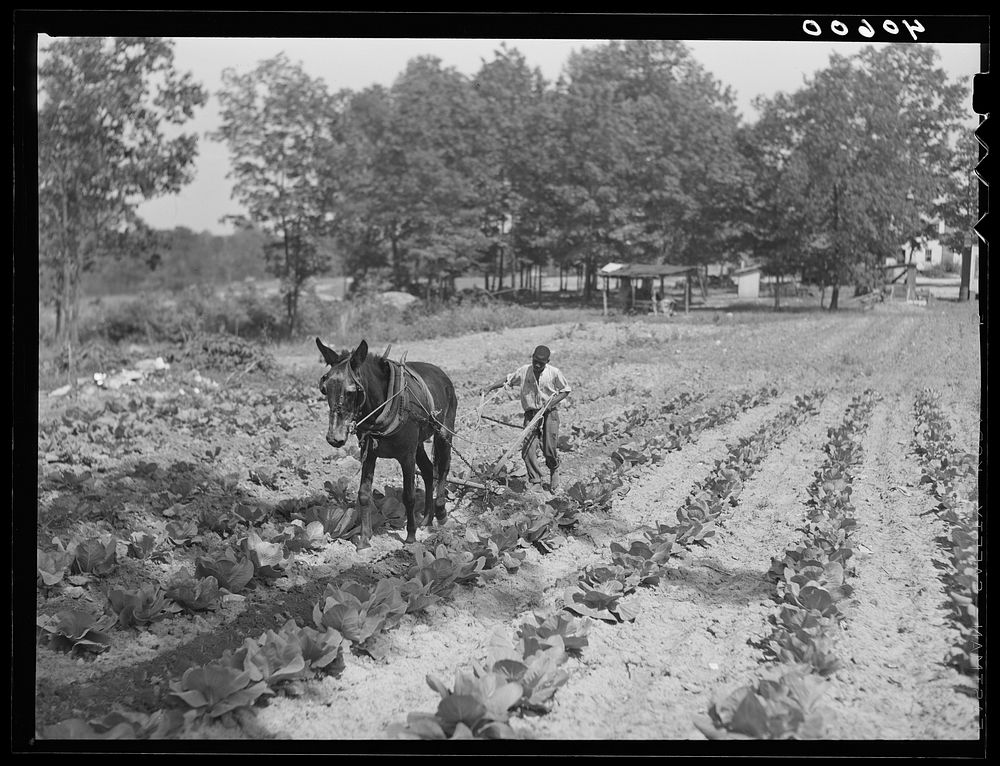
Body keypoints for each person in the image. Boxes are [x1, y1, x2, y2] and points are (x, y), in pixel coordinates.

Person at [480, 345, 572, 492]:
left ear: (547, 361)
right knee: (528, 448)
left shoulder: (554, 373)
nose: (537, 365)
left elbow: (565, 390)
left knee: (549, 447)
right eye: (535, 361)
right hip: (531, 413)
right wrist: (490, 387)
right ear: (532, 357)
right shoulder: (524, 371)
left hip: (549, 412)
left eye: (541, 363)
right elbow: (508, 379)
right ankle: (535, 480)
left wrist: (551, 404)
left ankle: (554, 469)